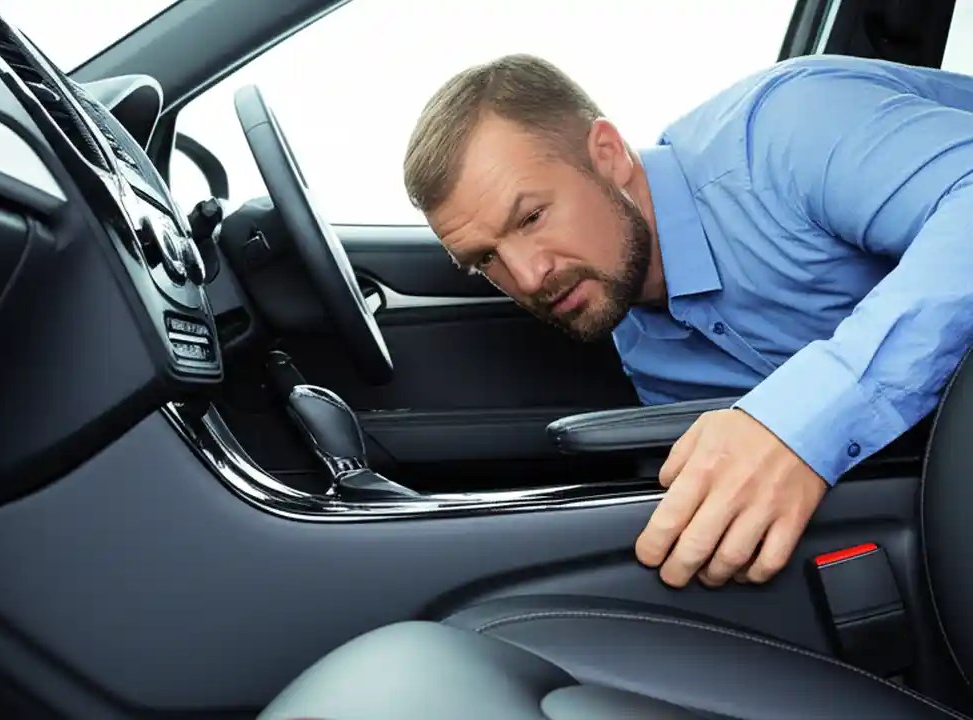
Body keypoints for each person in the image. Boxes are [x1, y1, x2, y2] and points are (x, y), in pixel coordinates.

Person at [402, 52, 973, 588]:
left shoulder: (787, 130)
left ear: (608, 154)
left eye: (531, 218)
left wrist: (803, 419)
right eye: (486, 259)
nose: (528, 278)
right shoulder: (636, 336)